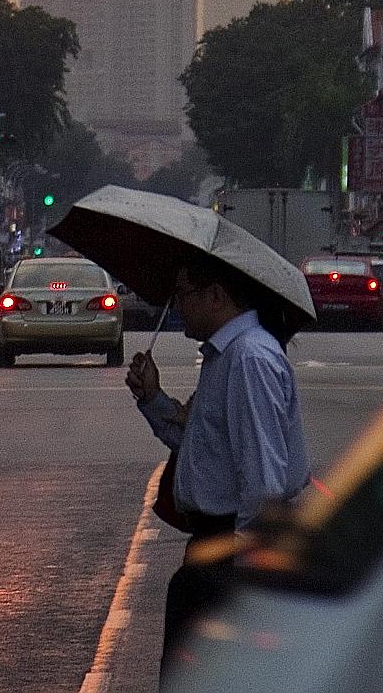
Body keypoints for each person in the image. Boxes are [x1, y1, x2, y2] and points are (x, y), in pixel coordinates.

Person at [125, 250, 310, 675]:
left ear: (216, 296)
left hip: (230, 552)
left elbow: (262, 476)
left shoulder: (249, 359)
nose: (177, 307)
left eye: (183, 294)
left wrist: (247, 581)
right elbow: (201, 446)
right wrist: (152, 399)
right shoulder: (225, 357)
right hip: (211, 551)